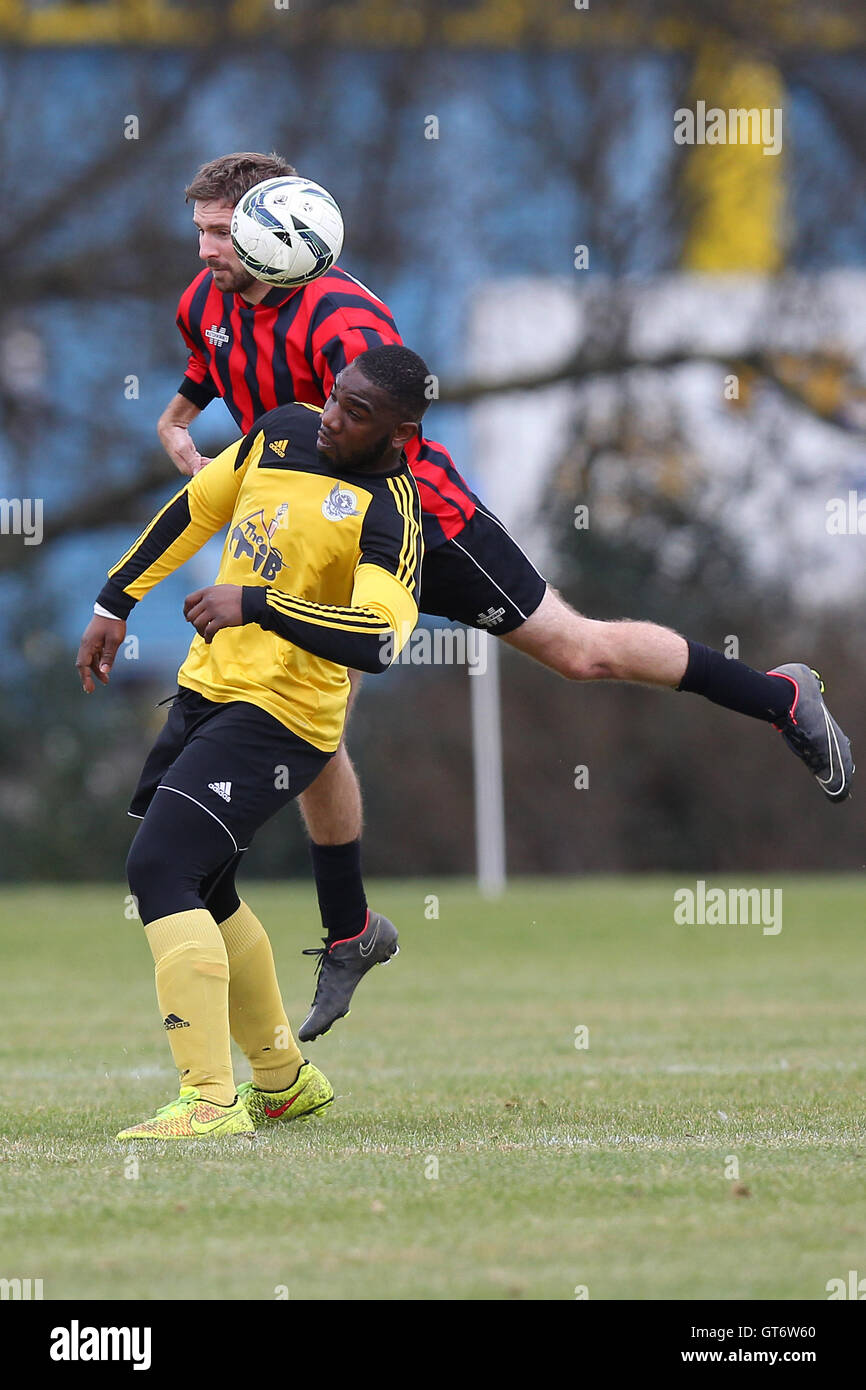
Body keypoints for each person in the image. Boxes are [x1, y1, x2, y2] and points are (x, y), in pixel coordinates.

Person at [158, 150, 855, 1045]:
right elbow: (203, 379)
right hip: (309, 540)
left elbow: (386, 435)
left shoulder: (344, 316)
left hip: (416, 523)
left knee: (581, 651)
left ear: (275, 230)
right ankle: (351, 932)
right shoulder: (204, 301)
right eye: (205, 231)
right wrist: (178, 429)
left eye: (223, 232)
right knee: (308, 720)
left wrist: (316, 510)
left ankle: (782, 696)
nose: (209, 247)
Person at [75, 346, 425, 1139]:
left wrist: (260, 603)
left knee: (160, 867)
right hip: (210, 689)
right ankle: (281, 1081)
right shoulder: (281, 432)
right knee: (207, 886)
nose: (334, 416)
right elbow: (198, 507)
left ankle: (207, 1098)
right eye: (337, 398)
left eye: (358, 413)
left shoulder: (392, 517)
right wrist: (113, 599)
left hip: (284, 718)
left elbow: (375, 638)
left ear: (400, 435)